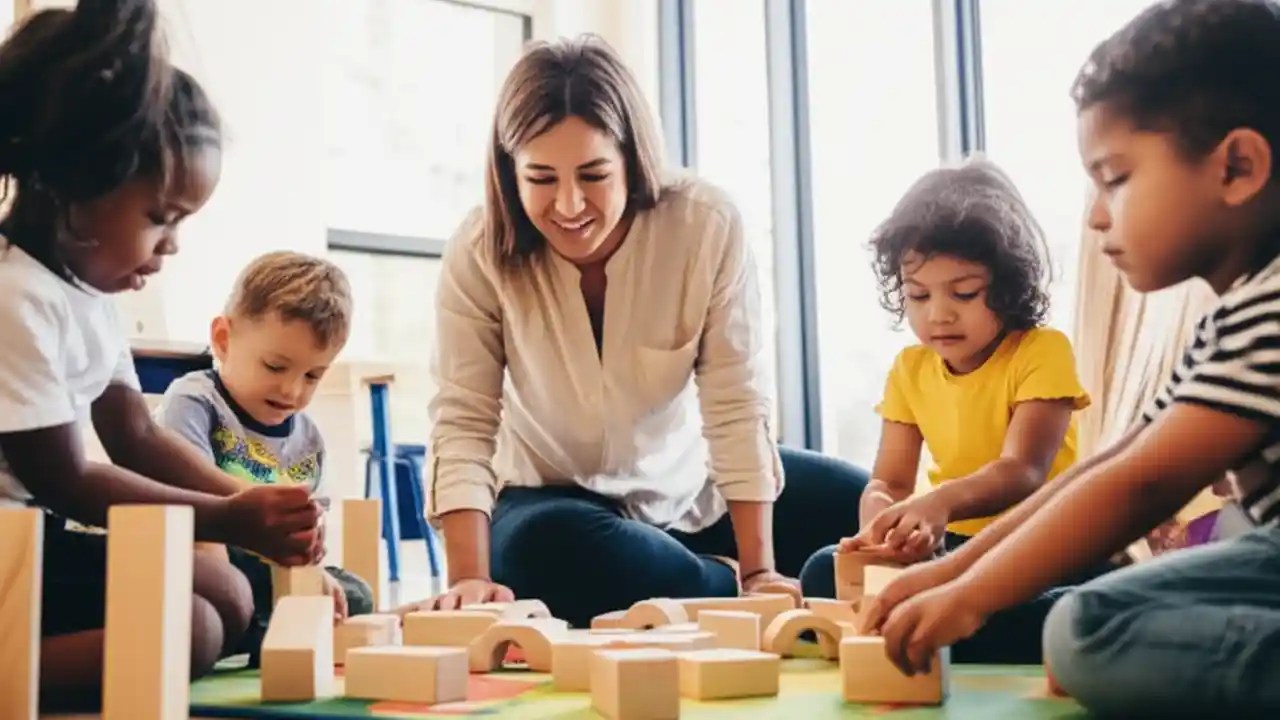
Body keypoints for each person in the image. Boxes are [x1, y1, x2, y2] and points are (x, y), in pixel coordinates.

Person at [863, 1, 1280, 715]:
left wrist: (969, 595)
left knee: (1088, 632)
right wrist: (954, 572)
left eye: (1115, 178)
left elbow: (1140, 486)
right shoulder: (1233, 318)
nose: (1094, 215)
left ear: (1237, 167)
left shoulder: (1269, 312)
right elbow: (1112, 466)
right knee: (1096, 615)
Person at [416, 35, 868, 628]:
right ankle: (715, 583)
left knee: (870, 509)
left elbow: (734, 402)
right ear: (510, 173)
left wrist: (763, 568)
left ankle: (722, 577)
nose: (569, 204)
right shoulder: (478, 250)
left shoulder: (705, 225)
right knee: (544, 552)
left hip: (691, 486)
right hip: (552, 501)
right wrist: (471, 583)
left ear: (632, 160)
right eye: (542, 178)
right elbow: (464, 418)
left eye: (594, 174)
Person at [0, 0, 321, 710]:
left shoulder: (88, 292)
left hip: (28, 538)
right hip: (11, 548)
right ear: (74, 186)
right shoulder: (14, 297)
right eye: (159, 218)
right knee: (192, 627)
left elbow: (134, 435)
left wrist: (252, 502)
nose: (171, 245)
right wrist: (227, 521)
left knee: (229, 594)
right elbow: (69, 482)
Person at [798, 157, 1092, 662]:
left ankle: (969, 625)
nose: (938, 313)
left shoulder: (1041, 350)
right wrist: (880, 526)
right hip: (955, 549)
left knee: (1065, 607)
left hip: (1043, 543)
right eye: (918, 294)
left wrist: (940, 504)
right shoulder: (910, 369)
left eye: (963, 293)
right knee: (822, 570)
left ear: (1008, 285)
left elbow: (1023, 470)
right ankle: (951, 628)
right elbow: (889, 480)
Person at [154, 251, 373, 666]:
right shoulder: (195, 401)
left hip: (266, 576)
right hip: (195, 561)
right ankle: (249, 629)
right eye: (275, 366)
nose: (291, 391)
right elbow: (194, 513)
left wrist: (315, 580)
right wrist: (227, 586)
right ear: (223, 339)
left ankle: (258, 632)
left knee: (355, 595)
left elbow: (305, 543)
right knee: (223, 586)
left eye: (312, 376)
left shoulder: (308, 438)